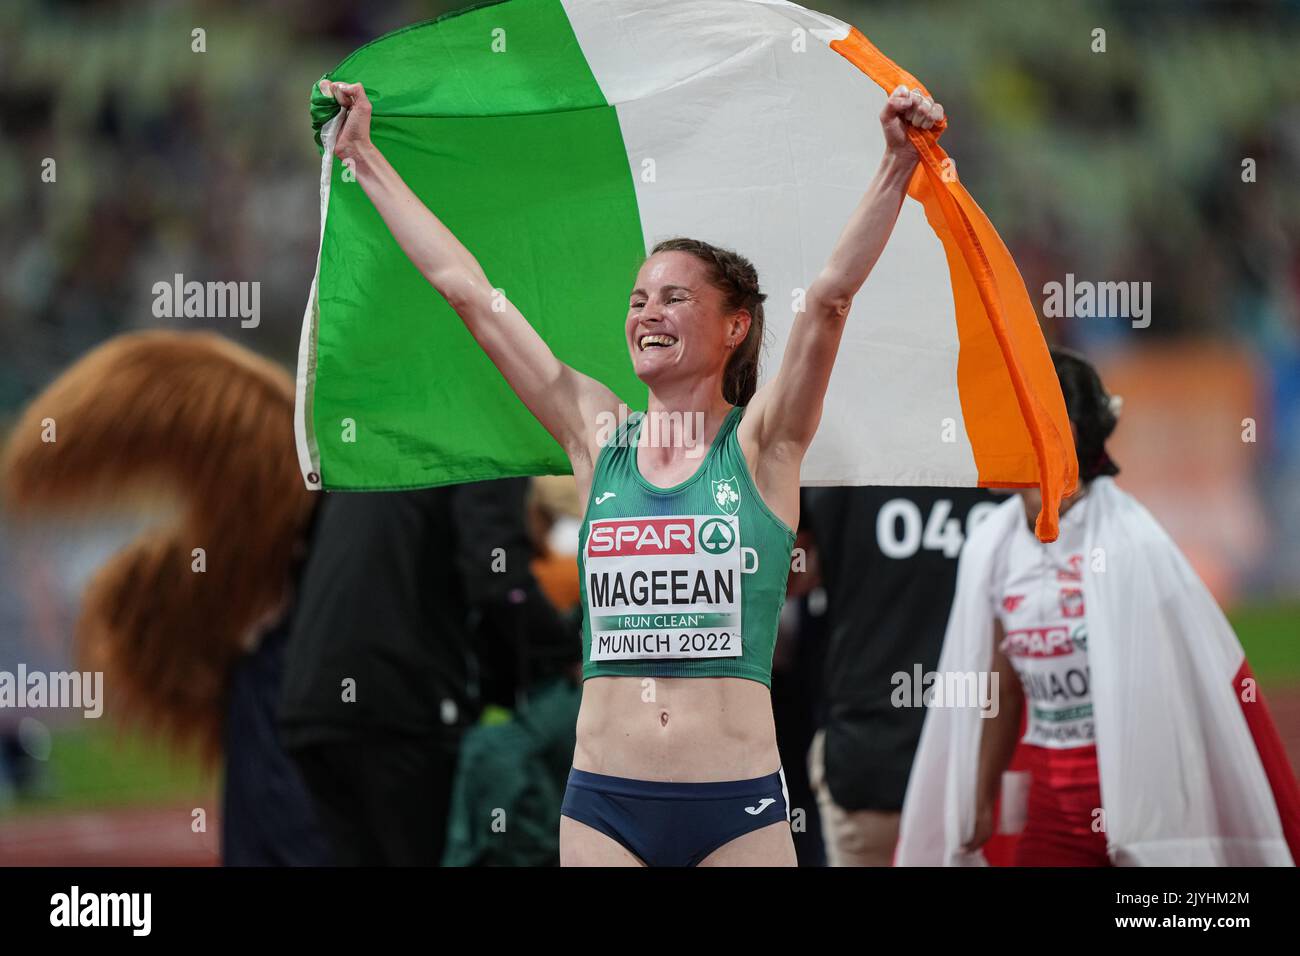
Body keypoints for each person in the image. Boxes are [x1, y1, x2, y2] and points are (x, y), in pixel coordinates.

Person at [320, 76, 946, 867]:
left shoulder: (763, 447)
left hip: (739, 806)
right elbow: (470, 295)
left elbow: (827, 300)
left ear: (734, 328)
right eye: (638, 298)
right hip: (605, 805)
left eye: (674, 298)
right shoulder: (595, 435)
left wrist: (896, 164)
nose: (646, 312)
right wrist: (364, 156)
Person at [898, 349, 1300, 866]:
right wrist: (979, 794)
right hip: (1052, 806)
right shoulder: (991, 548)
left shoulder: (1134, 542)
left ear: (1075, 435)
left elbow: (1181, 685)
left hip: (1139, 804)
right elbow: (1000, 683)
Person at [804, 484, 1003, 865]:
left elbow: (793, 576)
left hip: (876, 763)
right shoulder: (1012, 460)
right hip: (973, 776)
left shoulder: (834, 456)